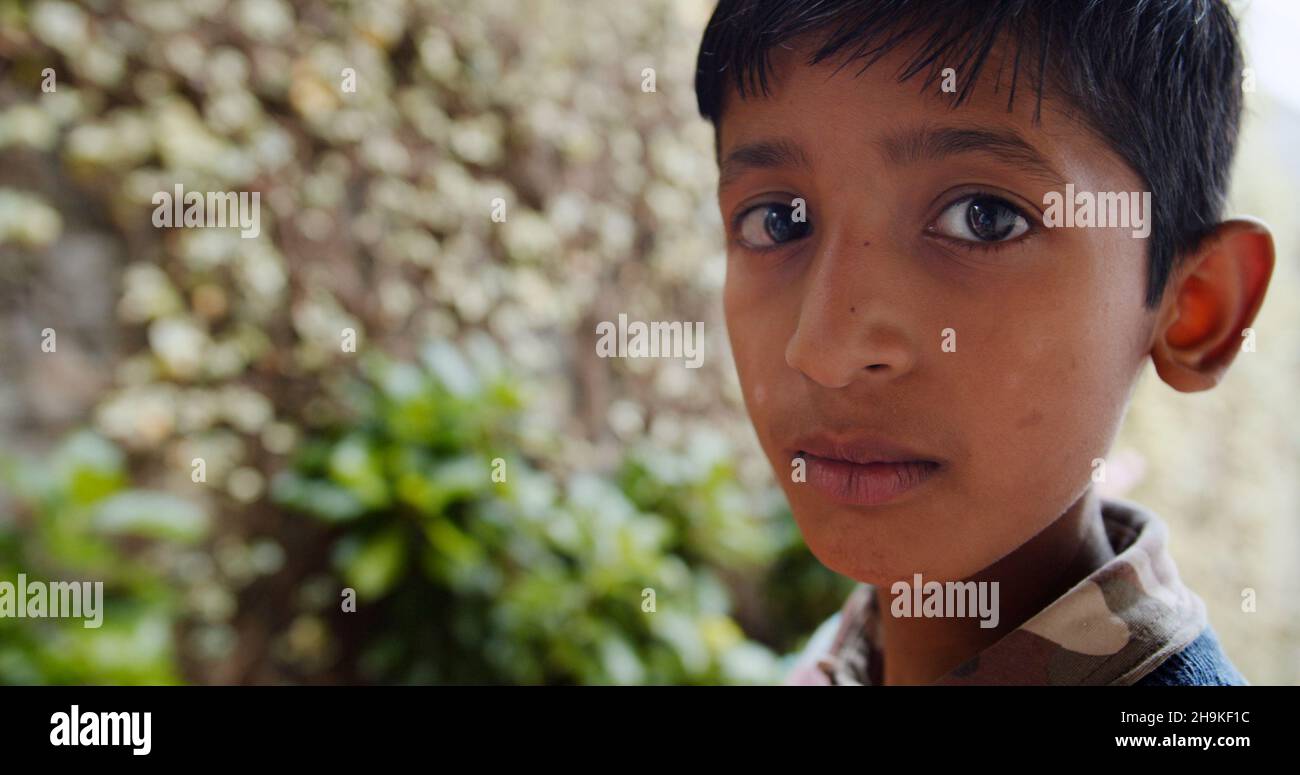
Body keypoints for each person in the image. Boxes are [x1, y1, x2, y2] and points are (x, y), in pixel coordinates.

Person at [693, 0, 1272, 685]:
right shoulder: (839, 657)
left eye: (985, 219)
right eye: (776, 222)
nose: (824, 348)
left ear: (1195, 306)